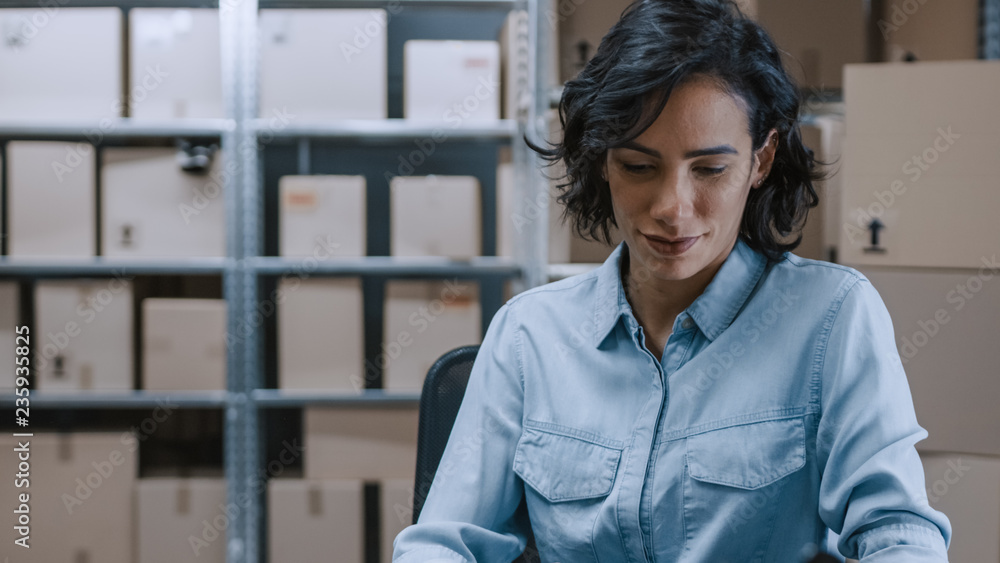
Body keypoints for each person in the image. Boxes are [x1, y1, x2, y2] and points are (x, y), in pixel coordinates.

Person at [392, 0, 952, 561]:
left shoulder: (832, 317)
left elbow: (898, 534)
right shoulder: (528, 334)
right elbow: (443, 542)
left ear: (761, 160)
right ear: (603, 160)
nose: (672, 208)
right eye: (639, 167)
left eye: (710, 169)